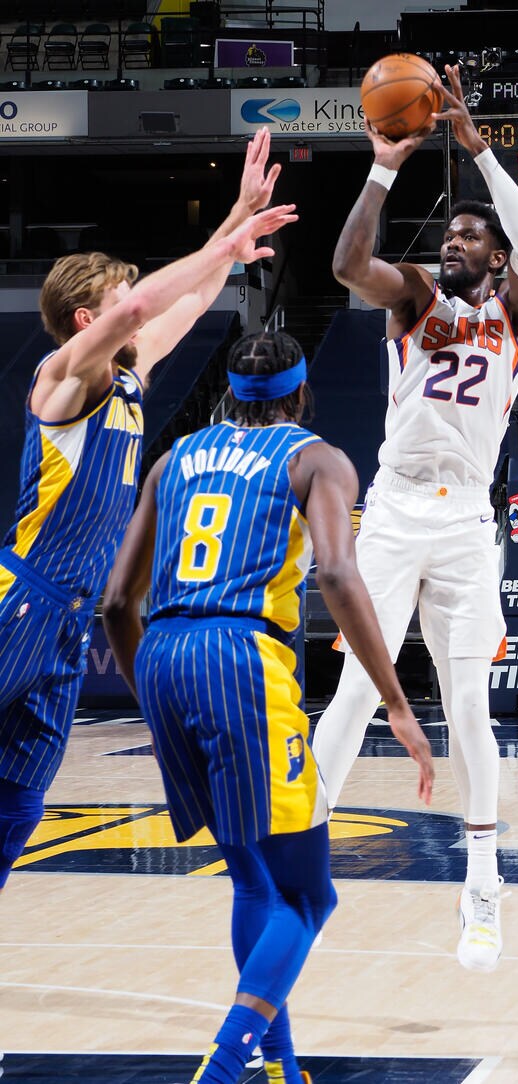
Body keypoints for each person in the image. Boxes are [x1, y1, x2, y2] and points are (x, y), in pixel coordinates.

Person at [103, 329, 434, 1084]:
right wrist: (396, 701)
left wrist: (153, 703)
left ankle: (280, 1065)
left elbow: (118, 600)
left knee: (254, 882)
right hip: (240, 659)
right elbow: (340, 579)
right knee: (309, 897)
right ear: (300, 390)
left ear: (228, 389)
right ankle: (222, 1068)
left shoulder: (171, 458)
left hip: (160, 653)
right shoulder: (316, 459)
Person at [0, 129, 297, 895]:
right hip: (21, 599)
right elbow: (138, 306)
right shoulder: (60, 380)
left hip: (69, 619)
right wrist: (225, 239)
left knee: (22, 794)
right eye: (112, 312)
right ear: (82, 322)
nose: (131, 319)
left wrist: (232, 226)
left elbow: (190, 300)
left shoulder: (129, 377)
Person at [311, 63, 518, 974]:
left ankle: (481, 884)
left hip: (465, 525)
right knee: (358, 691)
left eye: (467, 237)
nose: (453, 242)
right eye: (447, 234)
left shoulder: (517, 312)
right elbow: (341, 266)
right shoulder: (412, 297)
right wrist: (381, 168)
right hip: (396, 508)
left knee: (467, 705)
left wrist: (482, 154)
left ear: (490, 256)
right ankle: (305, 858)